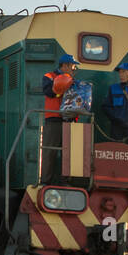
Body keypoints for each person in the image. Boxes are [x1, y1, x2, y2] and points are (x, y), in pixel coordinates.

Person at [41, 54, 77, 184]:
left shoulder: (74, 80)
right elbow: (48, 92)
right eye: (73, 66)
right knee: (50, 151)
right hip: (54, 118)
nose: (74, 69)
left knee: (69, 153)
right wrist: (61, 86)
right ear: (66, 65)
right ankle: (46, 181)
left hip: (69, 119)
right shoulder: (49, 76)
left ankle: (65, 181)